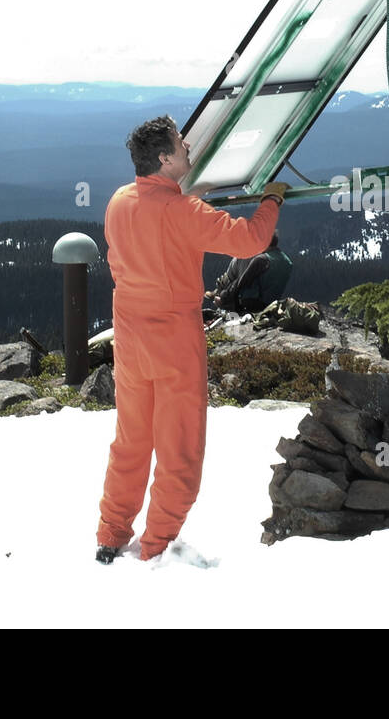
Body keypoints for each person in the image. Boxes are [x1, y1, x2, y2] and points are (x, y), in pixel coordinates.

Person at [95, 115, 288, 564]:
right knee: (180, 448)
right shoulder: (184, 212)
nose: (188, 148)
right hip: (174, 342)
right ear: (164, 158)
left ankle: (111, 533)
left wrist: (187, 200)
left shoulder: (119, 201)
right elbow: (251, 240)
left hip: (129, 340)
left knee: (131, 440)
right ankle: (157, 549)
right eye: (181, 144)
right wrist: (272, 200)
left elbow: (154, 220)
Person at [208, 232, 292, 313]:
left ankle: (220, 292)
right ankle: (221, 289)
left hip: (253, 305)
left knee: (242, 258)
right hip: (272, 303)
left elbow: (241, 283)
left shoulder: (262, 260)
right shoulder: (287, 261)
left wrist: (223, 298)